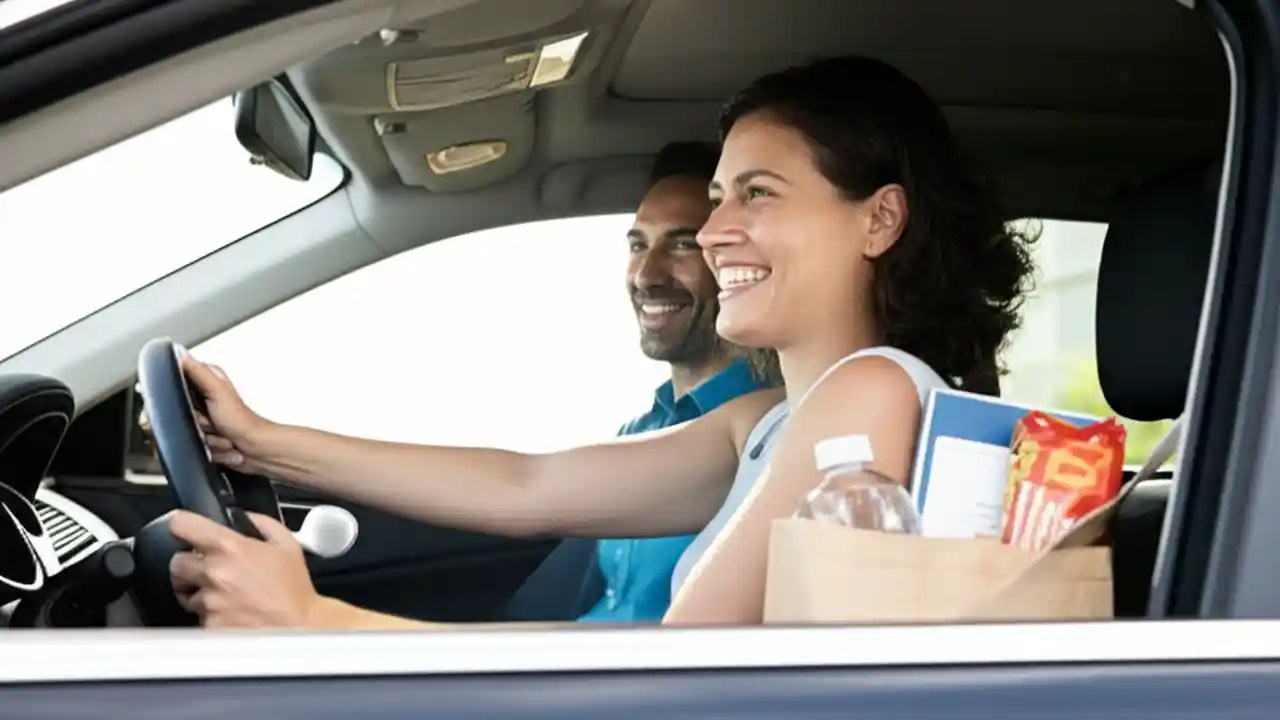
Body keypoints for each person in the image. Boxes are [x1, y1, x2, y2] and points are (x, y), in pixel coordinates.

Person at [169, 55, 1034, 629]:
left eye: (757, 194)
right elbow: (527, 485)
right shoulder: (772, 420)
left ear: (879, 219)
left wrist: (316, 621)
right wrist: (263, 440)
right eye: (722, 196)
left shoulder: (872, 394)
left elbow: (673, 679)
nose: (719, 228)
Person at [501, 142, 778, 623]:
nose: (647, 275)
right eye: (637, 245)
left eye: (682, 244)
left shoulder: (768, 436)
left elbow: (524, 485)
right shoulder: (640, 430)